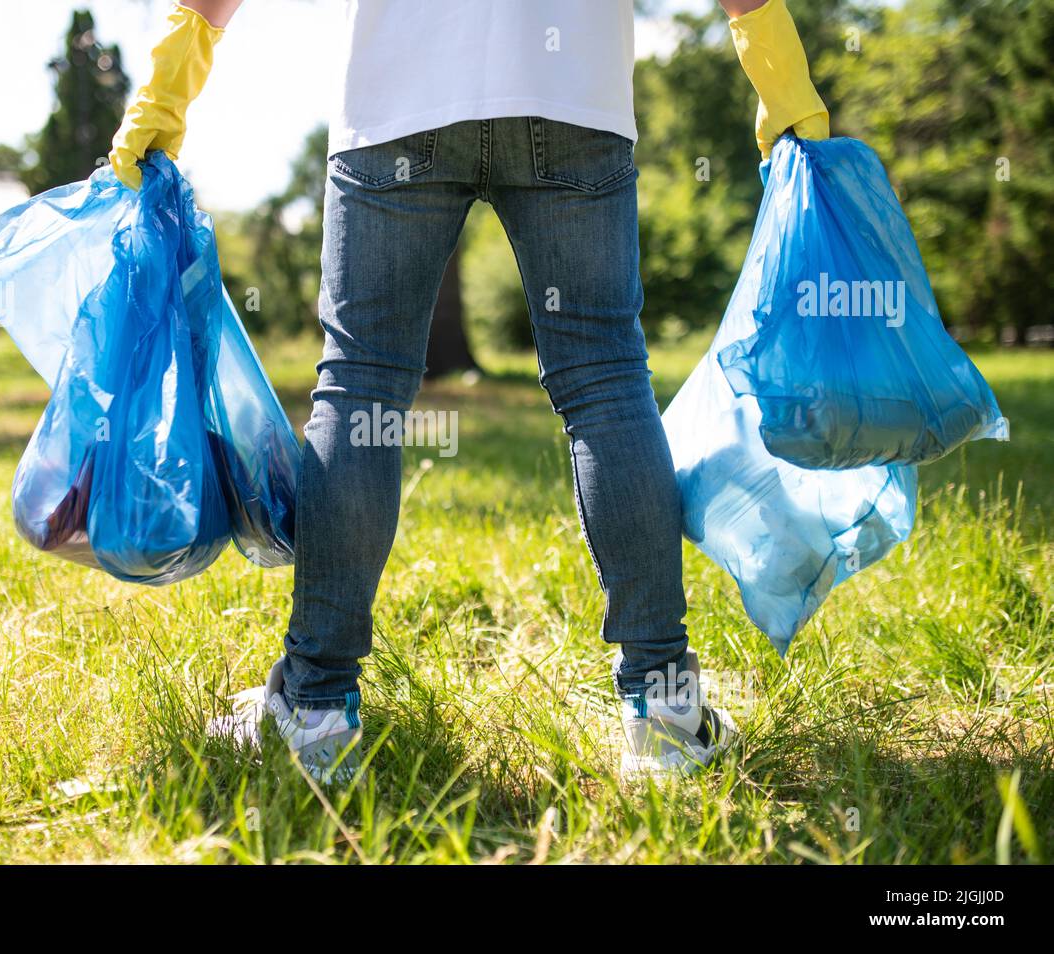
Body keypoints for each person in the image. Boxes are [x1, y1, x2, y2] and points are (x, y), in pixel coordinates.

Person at [109, 0, 829, 780]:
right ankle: (666, 715)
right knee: (606, 382)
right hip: (572, 93)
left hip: (401, 96)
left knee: (361, 388)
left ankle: (316, 711)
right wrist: (779, 73)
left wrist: (170, 80)